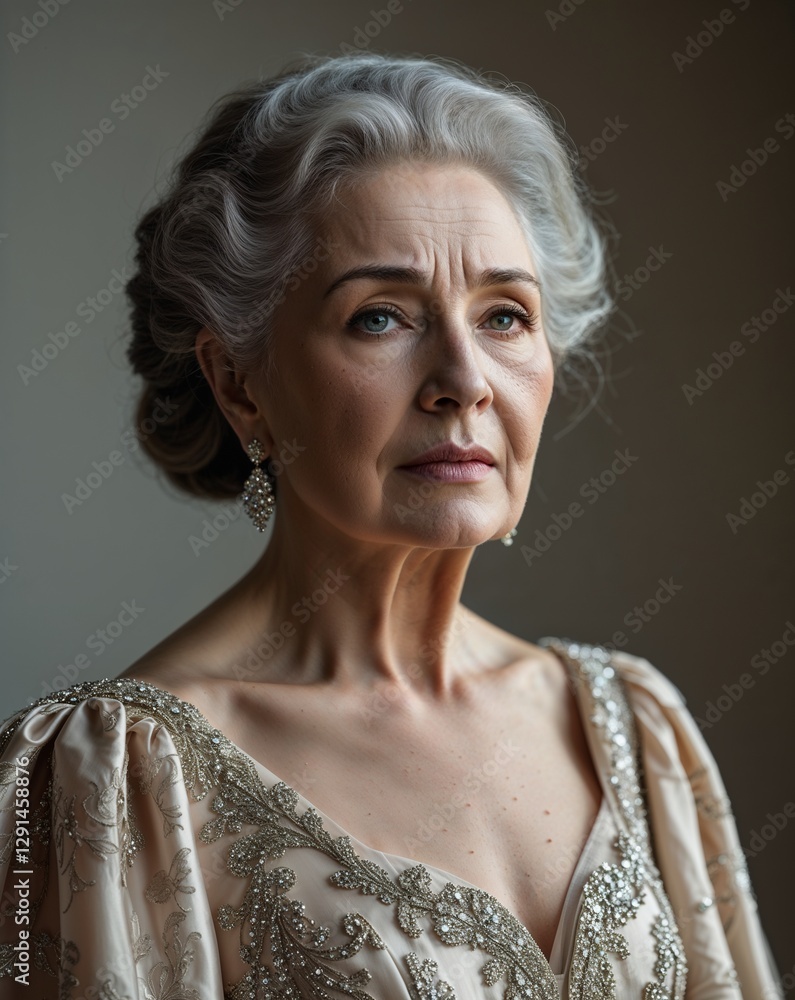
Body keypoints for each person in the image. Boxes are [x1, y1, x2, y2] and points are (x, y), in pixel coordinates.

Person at [0, 52, 783, 1000]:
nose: (464, 378)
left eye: (504, 315)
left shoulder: (630, 725)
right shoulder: (118, 779)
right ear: (238, 382)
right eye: (379, 317)